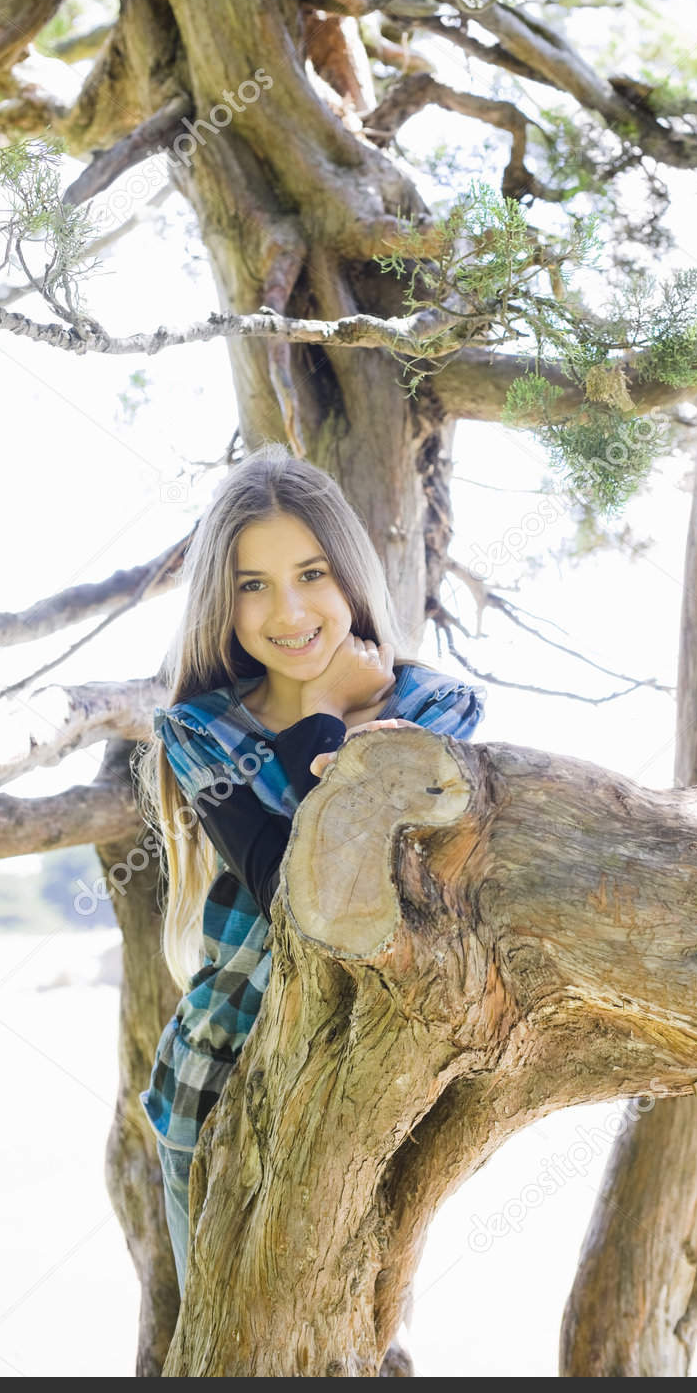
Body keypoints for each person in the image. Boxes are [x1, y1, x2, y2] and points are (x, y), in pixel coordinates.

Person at [135, 443, 485, 1294]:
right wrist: (326, 708)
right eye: (253, 584)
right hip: (216, 1081)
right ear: (224, 600)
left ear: (350, 577)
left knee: (342, 1349)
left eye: (310, 573)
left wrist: (343, 716)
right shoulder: (200, 731)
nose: (286, 610)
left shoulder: (434, 708)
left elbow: (383, 885)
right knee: (230, 1361)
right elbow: (288, 885)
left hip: (373, 1082)